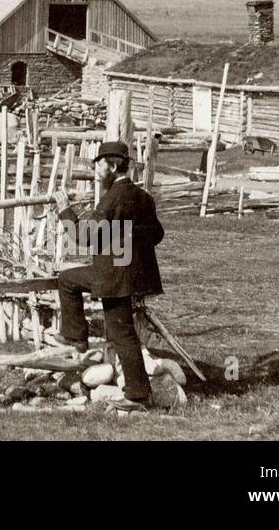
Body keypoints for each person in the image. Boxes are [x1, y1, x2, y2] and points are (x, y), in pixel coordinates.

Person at [51, 140, 165, 413]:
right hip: (133, 274)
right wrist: (127, 240)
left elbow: (82, 237)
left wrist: (65, 210)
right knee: (70, 280)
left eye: (100, 166)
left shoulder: (113, 198)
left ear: (113, 166)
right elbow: (156, 234)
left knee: (121, 333)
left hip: (116, 276)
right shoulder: (143, 197)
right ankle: (77, 339)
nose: (97, 171)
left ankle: (137, 395)